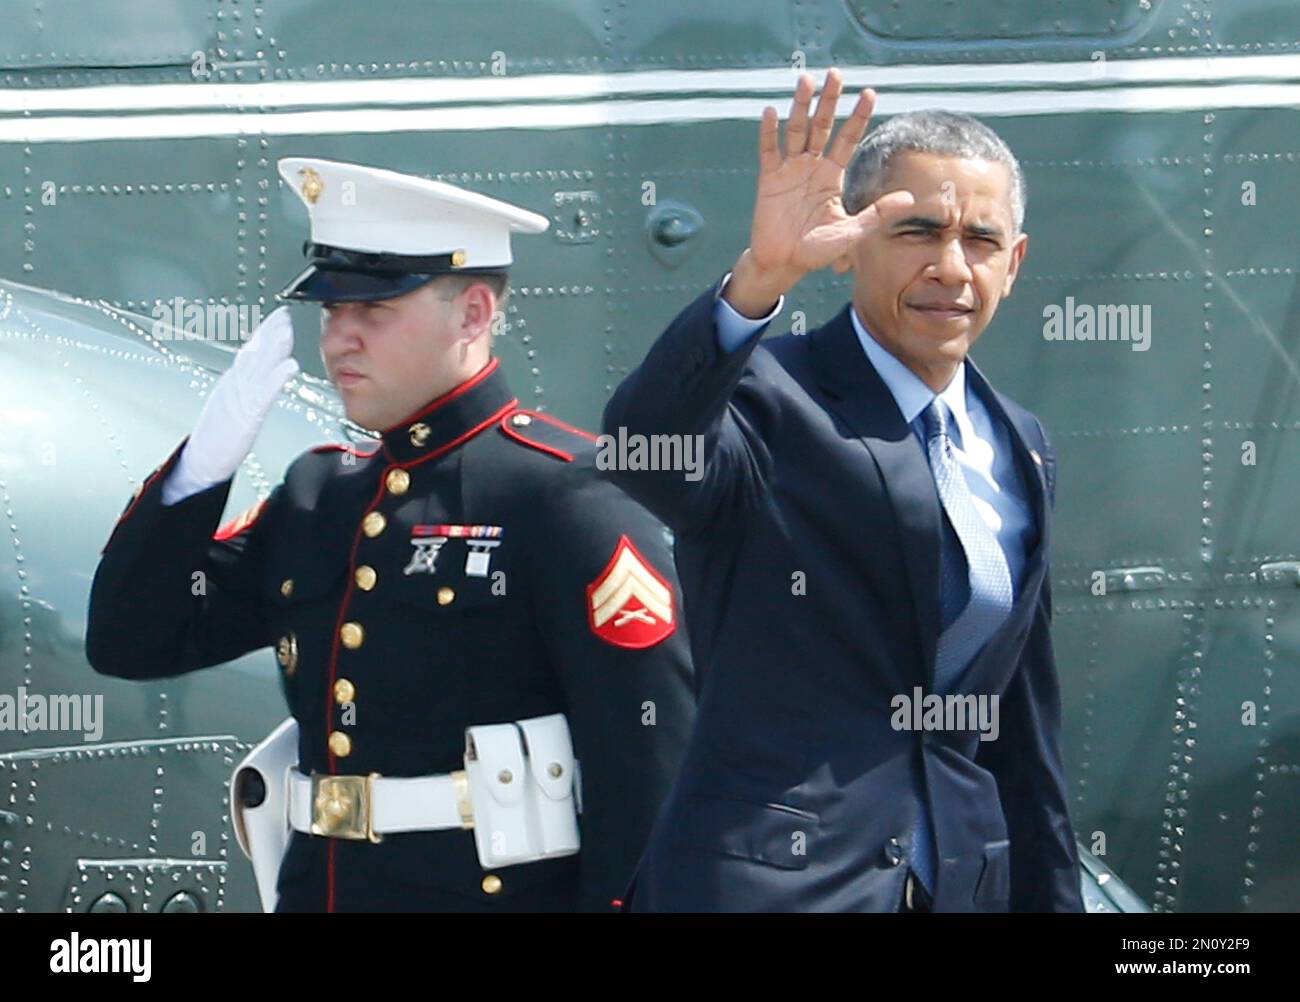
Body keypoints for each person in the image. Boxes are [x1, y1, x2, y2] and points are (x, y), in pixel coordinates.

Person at [85, 157, 695, 913]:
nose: (340, 339)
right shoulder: (321, 497)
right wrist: (198, 475)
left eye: (374, 310)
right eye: (330, 311)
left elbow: (651, 771)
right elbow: (130, 640)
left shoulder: (569, 497)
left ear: (473, 313)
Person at [603, 69, 1084, 912]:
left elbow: (1022, 728)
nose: (950, 267)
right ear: (852, 239)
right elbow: (644, 451)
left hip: (959, 884)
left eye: (979, 239)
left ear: (1015, 262)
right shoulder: (766, 395)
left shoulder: (1021, 443)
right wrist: (759, 277)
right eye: (917, 231)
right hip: (770, 886)